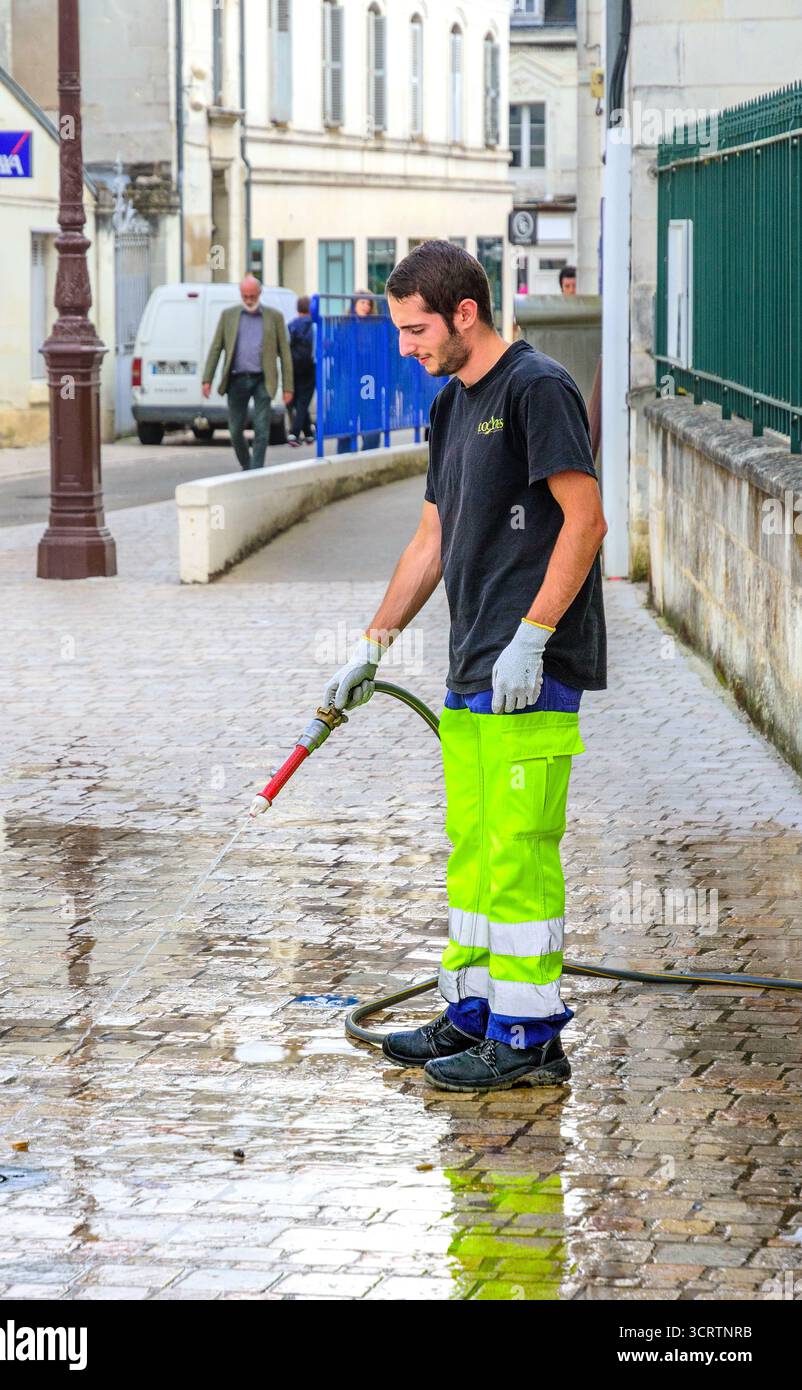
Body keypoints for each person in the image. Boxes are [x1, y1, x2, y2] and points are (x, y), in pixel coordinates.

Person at [321, 240, 607, 1094]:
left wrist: (535, 634)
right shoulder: (453, 406)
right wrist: (371, 644)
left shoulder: (538, 389)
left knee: (519, 850)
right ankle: (473, 1011)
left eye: (415, 330)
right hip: (470, 664)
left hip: (530, 666)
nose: (405, 346)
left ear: (465, 314)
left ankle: (528, 1037)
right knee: (475, 849)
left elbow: (585, 522)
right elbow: (430, 540)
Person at [201, 274, 293, 470]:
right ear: (240, 294)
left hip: (262, 380)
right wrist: (207, 379)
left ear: (259, 293)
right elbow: (216, 347)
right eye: (245, 296)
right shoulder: (229, 316)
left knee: (261, 429)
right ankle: (247, 465)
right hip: (236, 379)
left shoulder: (274, 317)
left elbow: (285, 354)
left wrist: (288, 387)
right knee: (234, 430)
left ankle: (256, 469)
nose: (249, 300)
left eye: (252, 295)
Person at [336, 291, 383, 454]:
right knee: (345, 418)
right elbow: (339, 351)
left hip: (368, 377)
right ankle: (343, 456)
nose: (366, 306)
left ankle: (369, 453)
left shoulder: (376, 326)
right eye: (362, 302)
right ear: (354, 304)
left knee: (370, 418)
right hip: (348, 376)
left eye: (368, 304)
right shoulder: (344, 325)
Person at [287, 296, 316, 446]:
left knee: (299, 401)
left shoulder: (291, 325)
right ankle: (294, 433)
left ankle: (309, 434)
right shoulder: (315, 325)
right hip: (310, 367)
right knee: (303, 401)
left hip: (293, 367)